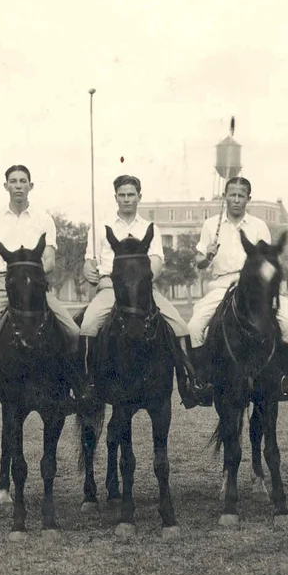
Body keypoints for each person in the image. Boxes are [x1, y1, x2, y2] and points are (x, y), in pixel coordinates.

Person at [79, 175, 213, 408]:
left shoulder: (150, 228)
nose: (126, 199)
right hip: (110, 288)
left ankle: (190, 383)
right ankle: (87, 384)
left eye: (131, 195)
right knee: (88, 324)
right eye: (122, 195)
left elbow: (157, 261)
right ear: (116, 197)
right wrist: (89, 270)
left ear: (139, 196)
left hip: (143, 291)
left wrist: (141, 280)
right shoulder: (100, 227)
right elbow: (89, 261)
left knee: (180, 326)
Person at [0, 164, 82, 421]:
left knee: (73, 331)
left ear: (31, 185)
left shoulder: (43, 219)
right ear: (6, 186)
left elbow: (49, 259)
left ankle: (72, 392)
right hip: (0, 286)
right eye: (13, 181)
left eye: (23, 180)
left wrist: (33, 273)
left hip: (34, 288)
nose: (18, 185)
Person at [187, 176, 288, 401]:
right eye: (232, 195)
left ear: (248, 198)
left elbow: (267, 260)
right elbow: (199, 262)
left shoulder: (259, 226)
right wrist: (206, 255)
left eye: (241, 195)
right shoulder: (211, 225)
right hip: (221, 284)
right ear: (225, 196)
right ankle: (202, 380)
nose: (236, 199)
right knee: (194, 326)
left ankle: (283, 378)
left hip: (255, 287)